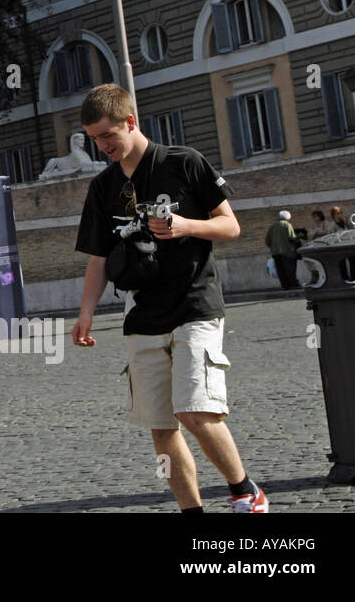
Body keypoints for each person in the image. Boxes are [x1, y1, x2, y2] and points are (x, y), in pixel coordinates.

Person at [72, 84, 268, 512]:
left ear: (130, 121)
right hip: (142, 312)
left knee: (194, 411)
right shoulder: (102, 187)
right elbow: (98, 258)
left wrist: (185, 225)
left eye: (108, 135)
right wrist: (85, 313)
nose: (102, 146)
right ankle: (191, 511)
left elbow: (231, 226)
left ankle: (245, 490)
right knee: (160, 427)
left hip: (195, 302)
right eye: (95, 139)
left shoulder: (184, 162)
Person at [265, 211, 300, 291]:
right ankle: (293, 285)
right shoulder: (287, 225)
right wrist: (300, 236)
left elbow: (267, 241)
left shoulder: (272, 226)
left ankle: (285, 285)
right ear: (288, 218)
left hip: (275, 253)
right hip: (287, 252)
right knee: (290, 269)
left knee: (280, 270)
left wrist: (273, 247)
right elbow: (291, 237)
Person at [329, 206, 355, 282]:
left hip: (348, 244)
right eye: (337, 213)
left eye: (340, 213)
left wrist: (347, 222)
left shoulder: (344, 221)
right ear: (334, 215)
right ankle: (344, 278)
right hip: (338, 246)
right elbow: (330, 235)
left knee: (353, 260)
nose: (340, 214)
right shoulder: (332, 224)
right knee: (342, 263)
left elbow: (351, 229)